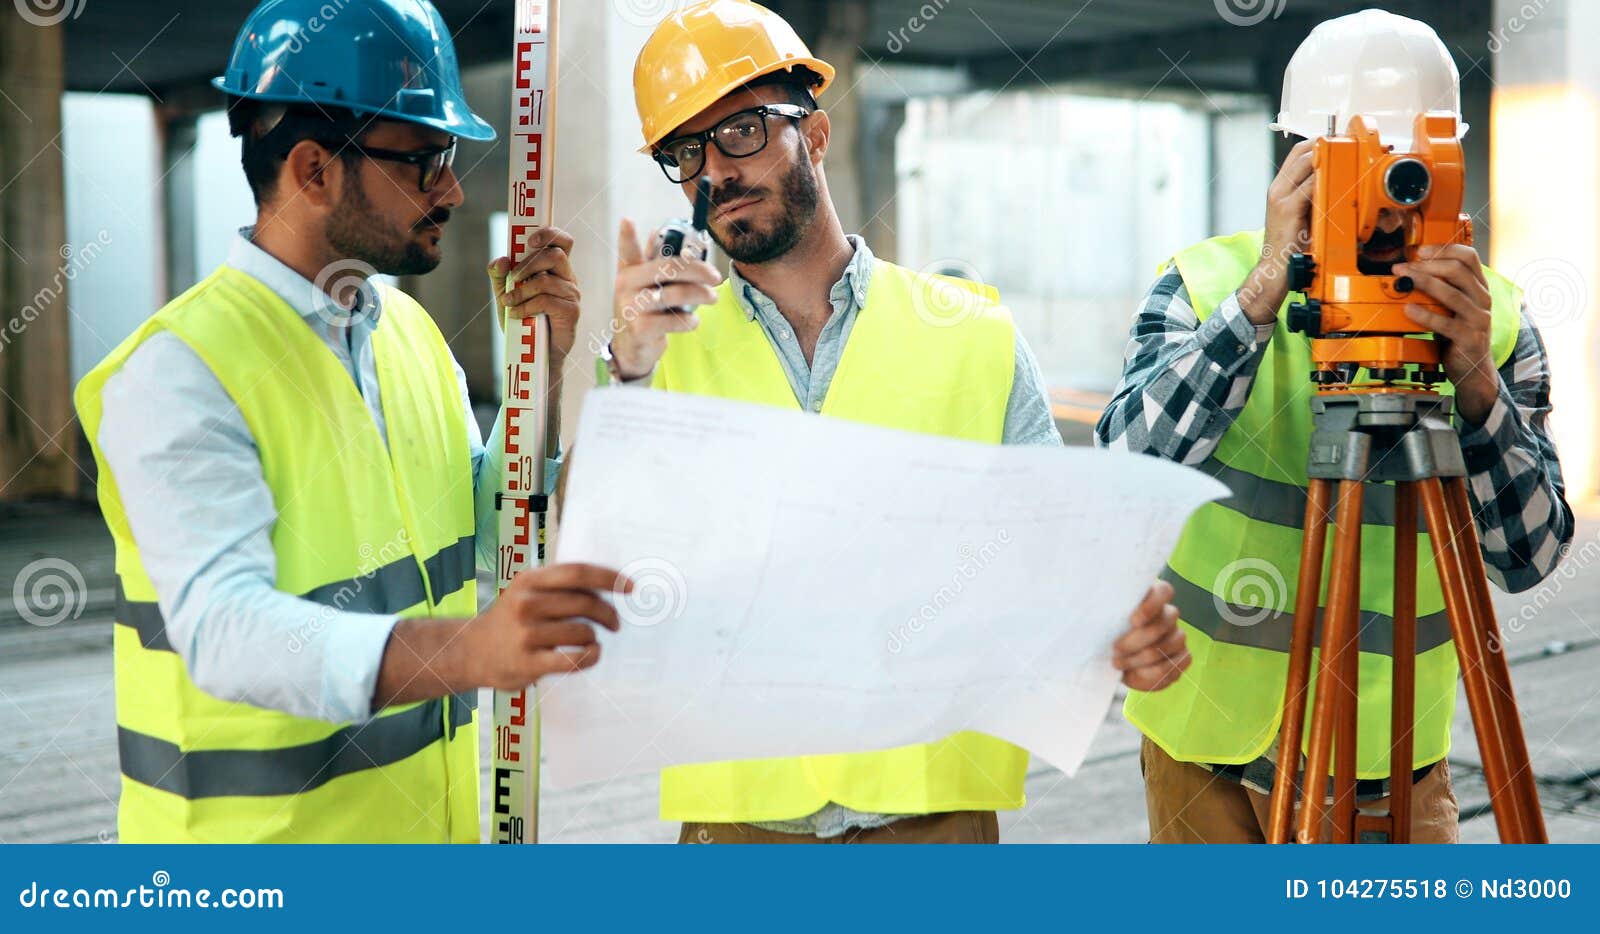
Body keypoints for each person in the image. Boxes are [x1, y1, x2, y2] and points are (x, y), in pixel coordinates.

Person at [605, 0, 1191, 844]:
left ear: (814, 135)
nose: (716, 173)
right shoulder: (659, 358)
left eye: (740, 132)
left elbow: (1056, 549)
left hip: (931, 813)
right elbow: (603, 569)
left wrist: (1121, 623)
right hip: (738, 820)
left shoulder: (971, 335)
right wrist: (625, 377)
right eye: (686, 152)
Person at [73, 0, 622, 842]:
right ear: (315, 170)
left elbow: (491, 535)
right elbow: (225, 632)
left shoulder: (407, 333)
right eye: (425, 160)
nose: (452, 189)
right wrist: (473, 652)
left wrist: (544, 375)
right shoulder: (181, 371)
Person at [1096, 9, 1574, 844]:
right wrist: (1258, 299)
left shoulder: (1493, 324)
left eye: (1408, 170)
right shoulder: (1207, 286)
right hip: (1201, 754)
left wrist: (1473, 382)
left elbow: (1528, 556)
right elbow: (1121, 474)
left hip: (1388, 770)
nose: (1386, 207)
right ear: (1300, 162)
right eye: (1362, 168)